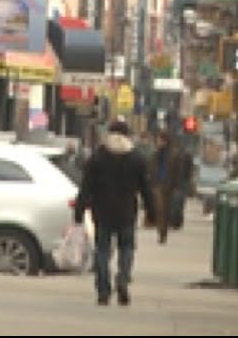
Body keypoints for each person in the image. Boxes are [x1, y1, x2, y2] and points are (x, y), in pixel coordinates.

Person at [73, 120, 155, 306]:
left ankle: (103, 290)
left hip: (102, 212)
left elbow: (86, 187)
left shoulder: (98, 157)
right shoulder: (136, 159)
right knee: (126, 248)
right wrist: (152, 211)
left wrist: (79, 211)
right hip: (126, 212)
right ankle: (123, 280)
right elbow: (145, 188)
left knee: (102, 250)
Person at [149, 132, 192, 244]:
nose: (158, 142)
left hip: (169, 186)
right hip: (157, 185)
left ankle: (163, 232)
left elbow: (179, 172)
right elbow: (150, 169)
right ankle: (161, 231)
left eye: (160, 140)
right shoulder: (155, 155)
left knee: (166, 210)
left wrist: (178, 186)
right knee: (159, 209)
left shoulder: (174, 155)